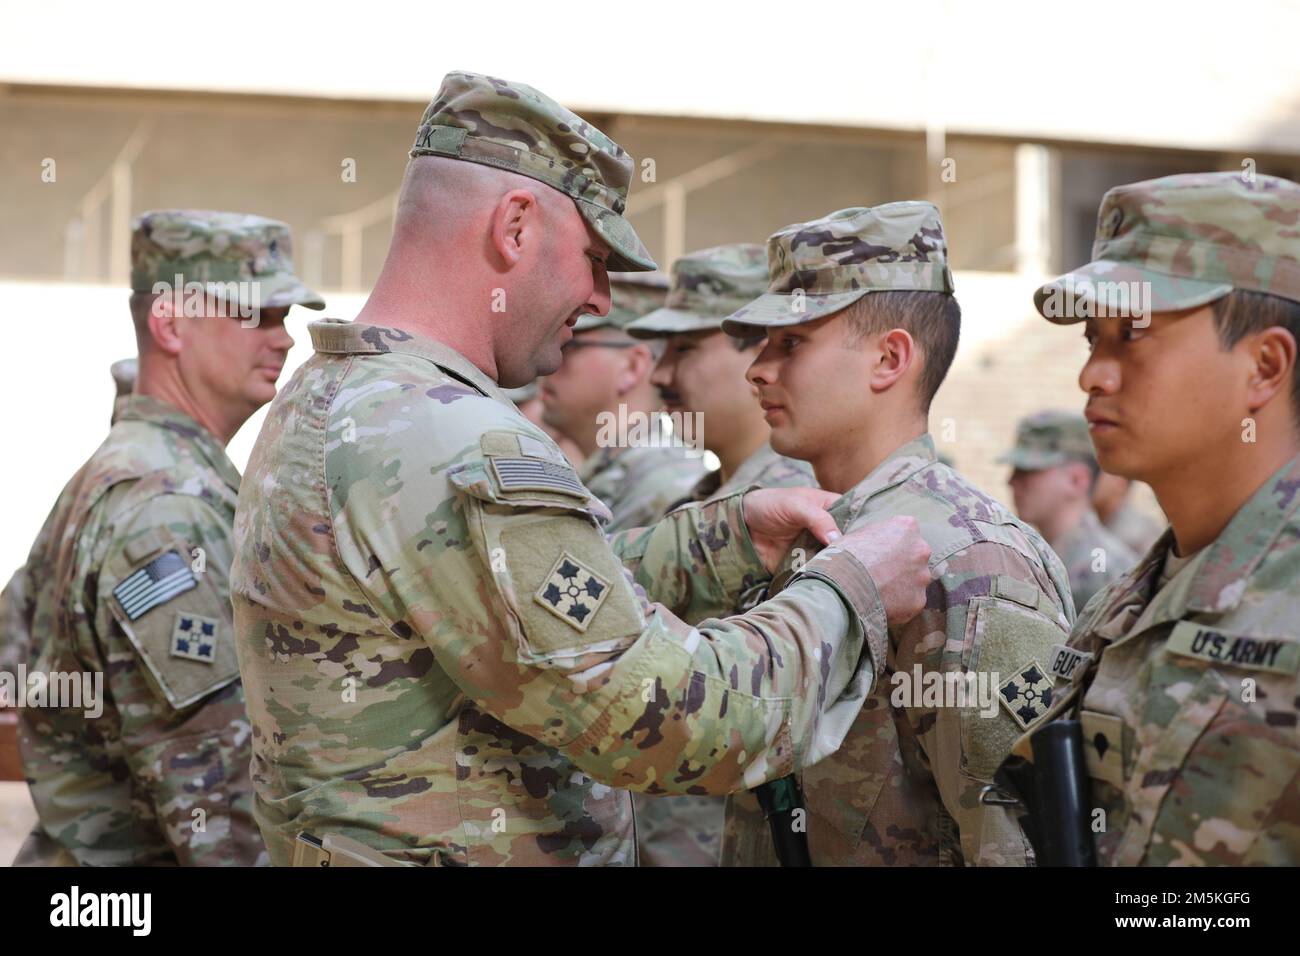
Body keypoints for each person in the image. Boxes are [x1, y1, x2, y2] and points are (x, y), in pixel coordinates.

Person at [229, 71, 932, 867]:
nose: (601, 298)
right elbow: (669, 723)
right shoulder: (455, 436)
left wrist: (720, 542)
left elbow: (494, 601)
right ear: (517, 227)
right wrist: (851, 591)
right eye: (595, 257)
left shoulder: (335, 395)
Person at [719, 202, 1074, 866]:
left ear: (888, 358)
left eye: (791, 342)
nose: (758, 369)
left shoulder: (971, 562)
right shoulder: (807, 537)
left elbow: (1016, 845)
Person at [1000, 171, 1300, 865]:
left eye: (1133, 335)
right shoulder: (1126, 603)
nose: (1093, 375)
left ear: (1264, 365)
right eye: (1091, 340)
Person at [13, 209, 323, 865]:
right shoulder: (167, 509)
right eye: (255, 315)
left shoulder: (124, 469)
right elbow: (222, 807)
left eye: (285, 317)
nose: (285, 339)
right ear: (170, 323)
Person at [622, 242, 816, 866]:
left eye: (685, 348)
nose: (659, 375)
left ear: (757, 345)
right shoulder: (704, 506)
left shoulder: (802, 511)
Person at [541, 273, 705, 531]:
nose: (550, 362)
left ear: (632, 367)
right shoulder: (615, 476)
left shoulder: (662, 488)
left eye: (569, 346)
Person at [1001, 410, 1137, 613]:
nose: (1011, 481)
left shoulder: (1102, 571)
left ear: (1077, 480)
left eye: (1028, 471)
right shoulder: (1042, 553)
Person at [1091, 471, 1164, 556]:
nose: (1091, 481)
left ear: (1120, 481)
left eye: (1097, 474)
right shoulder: (1089, 521)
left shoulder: (1141, 533)